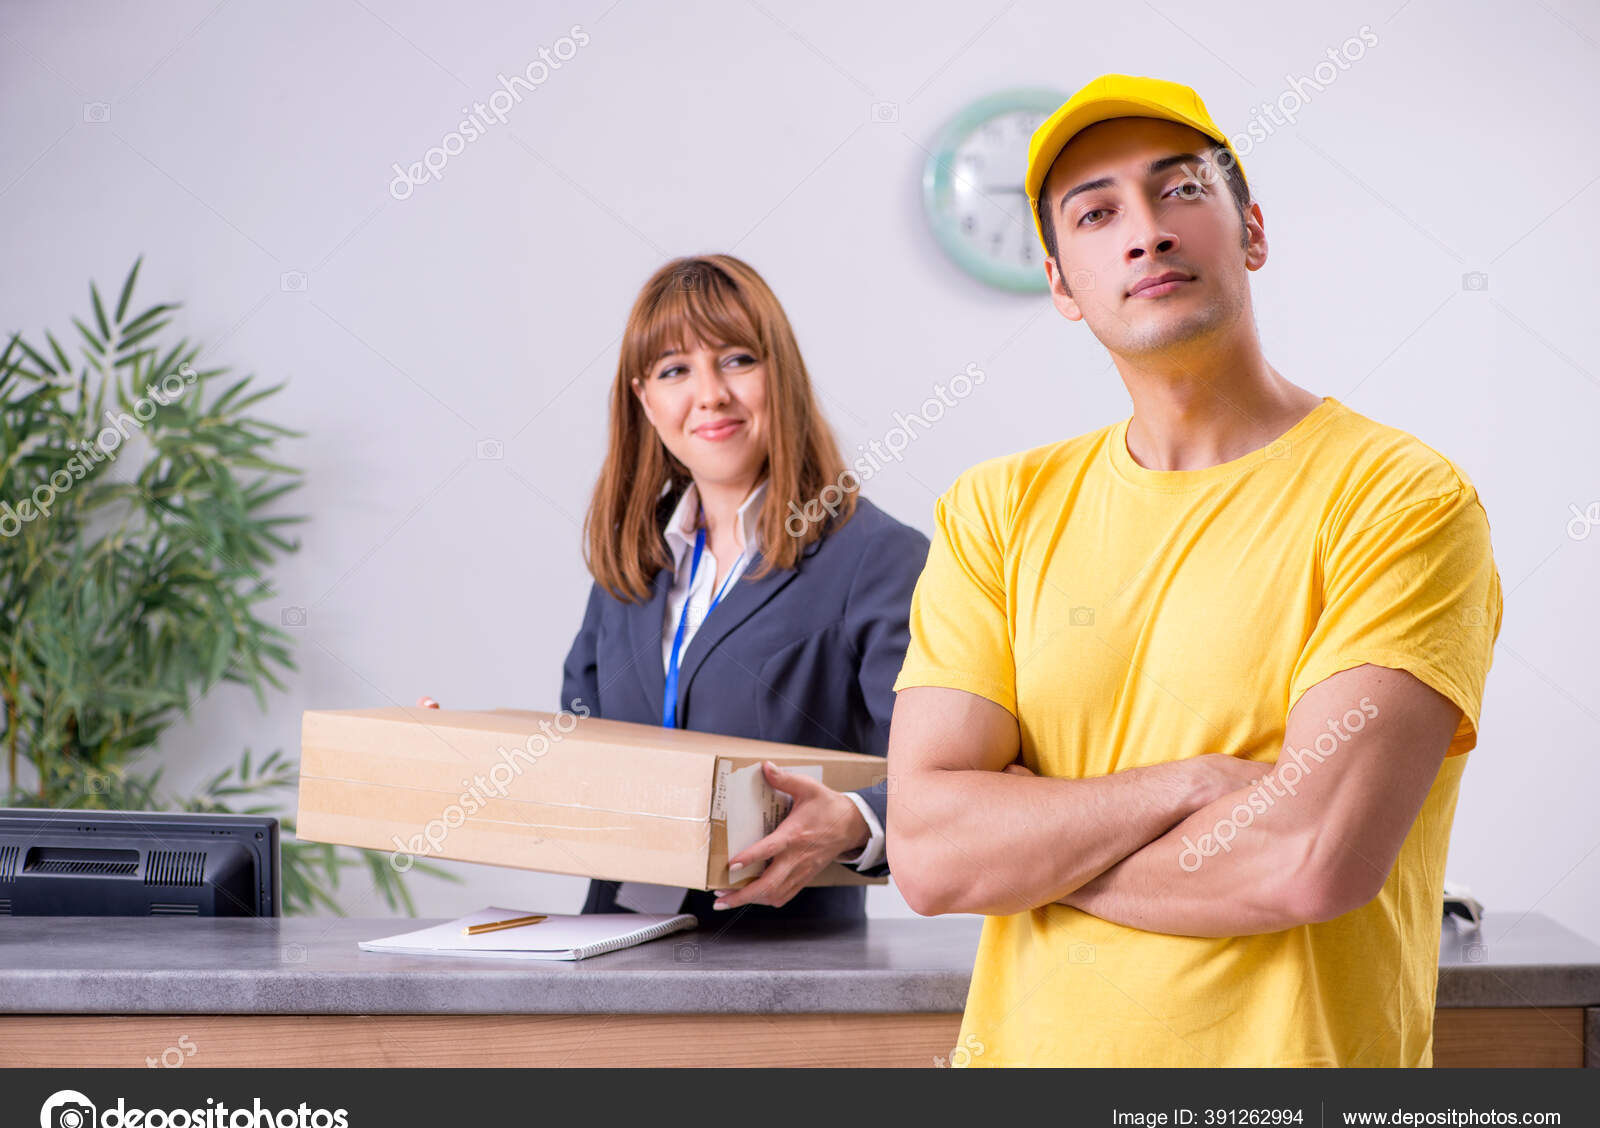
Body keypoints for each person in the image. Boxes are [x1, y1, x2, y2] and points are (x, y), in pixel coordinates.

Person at [886, 74, 1503, 1067]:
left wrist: (1031, 852)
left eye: (1178, 192)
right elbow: (925, 851)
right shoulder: (994, 511)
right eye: (1096, 213)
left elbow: (1306, 860)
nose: (1145, 232)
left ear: (1249, 232)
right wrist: (1193, 786)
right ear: (1059, 284)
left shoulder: (1398, 498)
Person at [426, 254, 928, 926]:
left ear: (783, 375)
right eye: (675, 371)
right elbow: (581, 751)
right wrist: (456, 757)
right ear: (645, 400)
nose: (711, 393)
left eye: (739, 359)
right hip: (614, 946)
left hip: (786, 965)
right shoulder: (632, 563)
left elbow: (938, 780)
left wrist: (854, 820)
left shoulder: (875, 557)